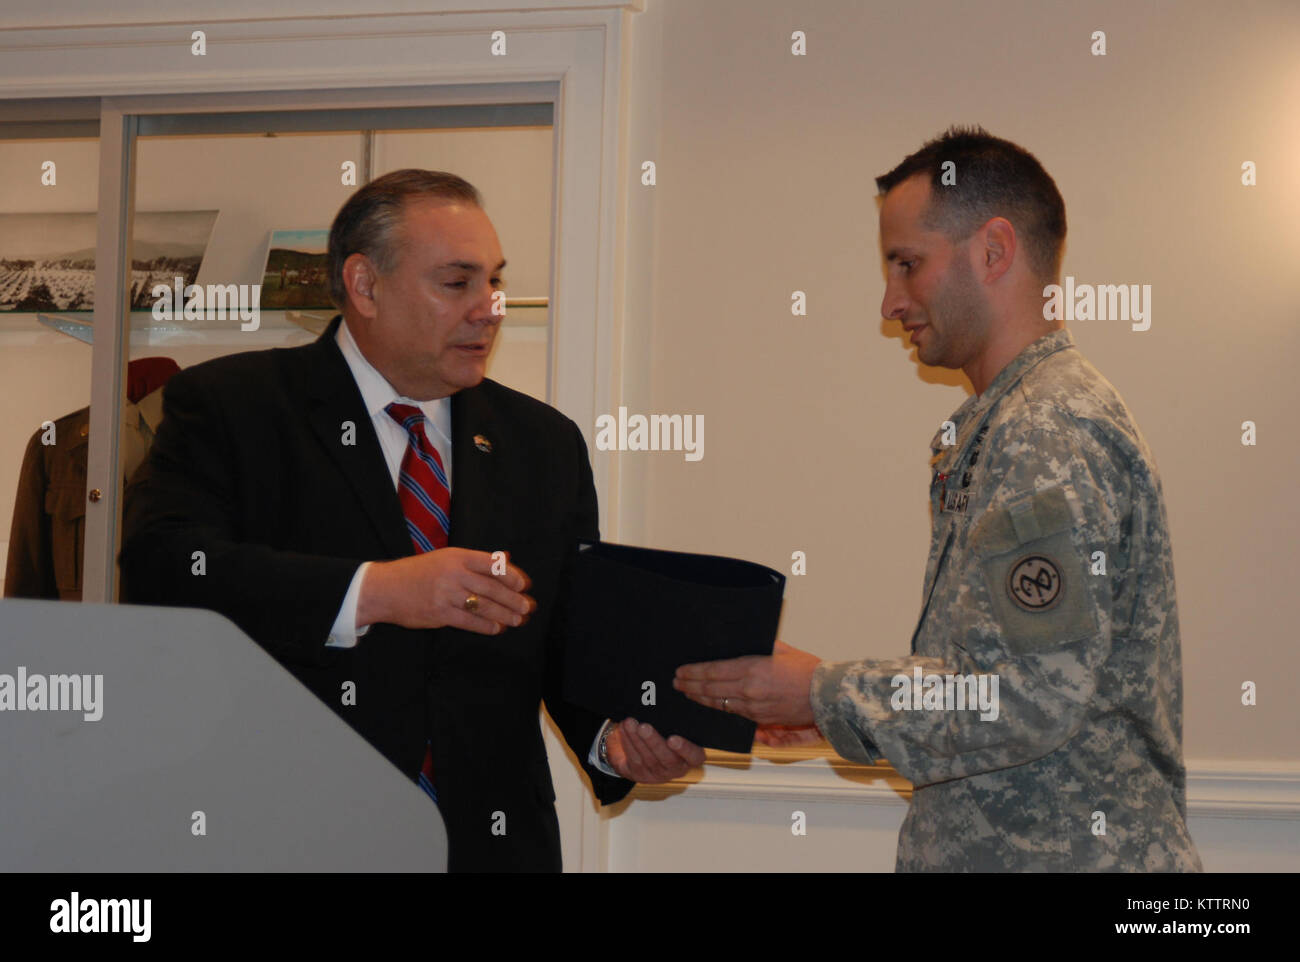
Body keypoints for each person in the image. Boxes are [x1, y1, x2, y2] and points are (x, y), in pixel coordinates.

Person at [121, 169, 703, 872]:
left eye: (493, 282)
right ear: (364, 285)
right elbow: (165, 571)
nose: (489, 308)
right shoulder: (231, 406)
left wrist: (611, 736)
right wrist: (380, 591)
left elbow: (565, 638)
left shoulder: (542, 442)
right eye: (457, 283)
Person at [675, 127, 1202, 872]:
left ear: (993, 250)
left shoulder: (1044, 429)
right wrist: (832, 714)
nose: (891, 302)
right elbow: (1001, 685)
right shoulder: (1010, 423)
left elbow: (1027, 697)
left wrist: (827, 696)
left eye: (907, 265)